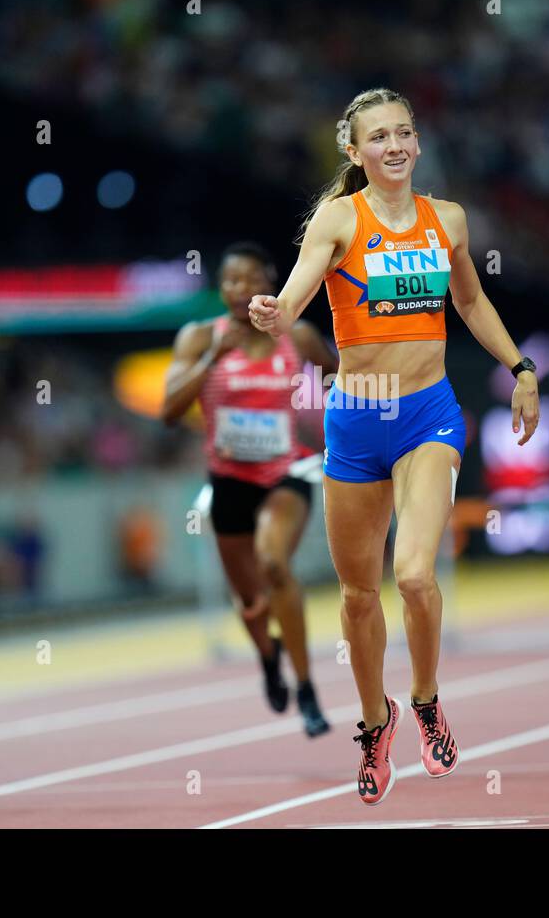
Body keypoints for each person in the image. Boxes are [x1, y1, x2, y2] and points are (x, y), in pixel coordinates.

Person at [249, 89, 540, 805]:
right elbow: (296, 294)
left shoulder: (450, 221)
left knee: (413, 575)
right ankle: (375, 722)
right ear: (355, 152)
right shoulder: (339, 218)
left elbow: (470, 302)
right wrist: (275, 312)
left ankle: (426, 699)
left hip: (428, 417)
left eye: (404, 132)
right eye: (379, 136)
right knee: (356, 595)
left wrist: (522, 368)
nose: (396, 145)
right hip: (355, 418)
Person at [164, 241, 338, 737]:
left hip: (286, 473)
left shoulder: (297, 336)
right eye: (229, 280)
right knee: (249, 600)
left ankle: (306, 688)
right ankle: (268, 656)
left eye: (250, 280)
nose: (239, 289)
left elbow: (345, 383)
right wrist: (210, 361)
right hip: (229, 481)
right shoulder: (199, 337)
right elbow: (169, 411)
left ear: (270, 284)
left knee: (274, 564)